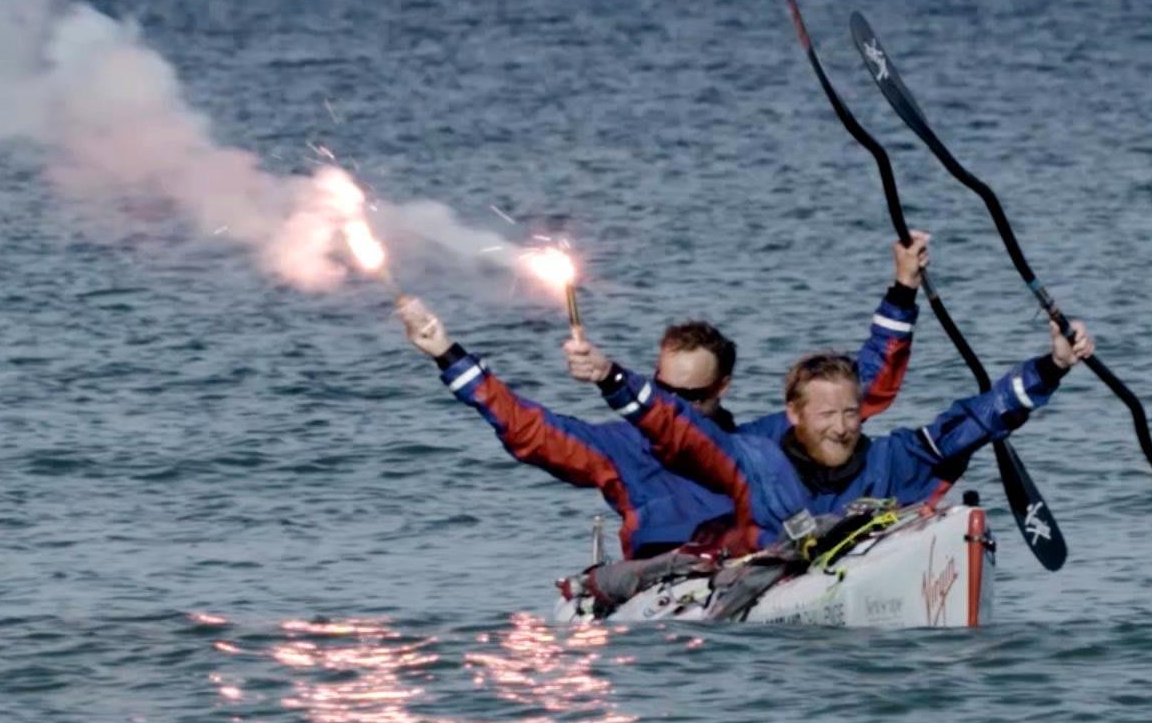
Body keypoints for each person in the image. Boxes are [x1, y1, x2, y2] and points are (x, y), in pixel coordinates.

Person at [395, 234, 929, 556]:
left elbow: (862, 388)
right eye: (664, 392)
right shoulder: (618, 451)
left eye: (690, 398)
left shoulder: (764, 444)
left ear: (723, 388)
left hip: (761, 568)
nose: (672, 409)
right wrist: (447, 353)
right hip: (668, 597)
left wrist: (903, 288)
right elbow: (527, 429)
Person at [566, 311, 1094, 549]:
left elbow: (976, 419)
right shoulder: (755, 455)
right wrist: (610, 379)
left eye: (851, 414)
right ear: (795, 415)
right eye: (827, 415)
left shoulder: (892, 458)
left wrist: (1052, 366)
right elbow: (675, 429)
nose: (842, 428)